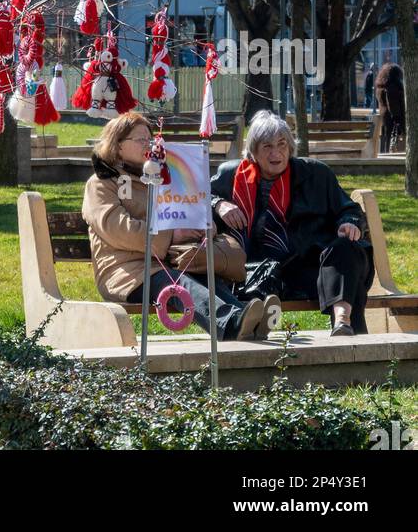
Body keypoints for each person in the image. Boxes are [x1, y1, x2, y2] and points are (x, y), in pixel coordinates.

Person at [82, 111, 277, 341]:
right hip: (127, 271)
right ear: (118, 145)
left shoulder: (162, 179)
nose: (149, 145)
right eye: (140, 140)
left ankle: (248, 320)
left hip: (171, 261)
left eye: (150, 139)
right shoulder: (101, 184)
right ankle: (231, 324)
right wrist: (171, 235)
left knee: (204, 277)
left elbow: (192, 210)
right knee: (179, 283)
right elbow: (119, 230)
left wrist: (202, 227)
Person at [212, 110, 372, 335]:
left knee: (345, 249)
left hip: (311, 268)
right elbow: (198, 198)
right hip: (257, 272)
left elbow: (348, 208)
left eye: (282, 144)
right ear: (253, 151)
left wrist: (349, 223)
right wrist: (218, 203)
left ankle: (342, 324)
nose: (276, 153)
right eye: (267, 146)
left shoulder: (316, 174)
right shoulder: (231, 175)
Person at [375, 63, 405, 154]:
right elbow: (393, 105)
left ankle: (384, 153)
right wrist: (398, 120)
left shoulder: (380, 88)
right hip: (395, 119)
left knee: (386, 139)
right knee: (392, 142)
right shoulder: (393, 88)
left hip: (385, 118)